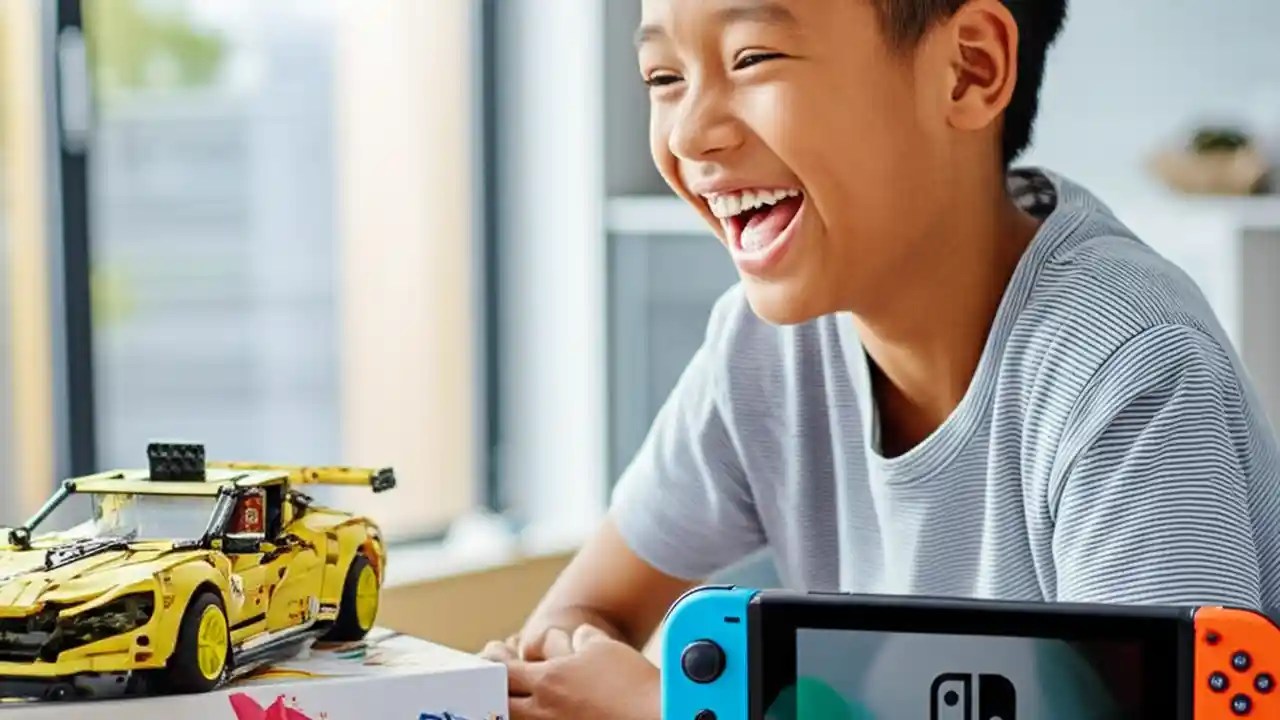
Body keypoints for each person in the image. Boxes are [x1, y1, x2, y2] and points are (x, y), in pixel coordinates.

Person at [482, 0, 1280, 717]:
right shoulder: (763, 353)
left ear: (969, 68)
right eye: (663, 75)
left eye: (752, 57)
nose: (689, 134)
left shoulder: (1128, 371)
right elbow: (579, 619)